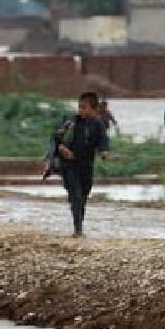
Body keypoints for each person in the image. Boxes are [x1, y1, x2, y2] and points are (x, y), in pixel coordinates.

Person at [53, 91, 109, 237]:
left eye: (84, 107)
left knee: (83, 195)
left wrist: (103, 153)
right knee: (76, 194)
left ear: (94, 108)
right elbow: (57, 138)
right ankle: (78, 230)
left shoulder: (98, 125)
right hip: (69, 165)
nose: (81, 110)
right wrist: (62, 148)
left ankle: (78, 223)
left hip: (86, 166)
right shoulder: (72, 122)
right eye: (79, 107)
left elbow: (103, 142)